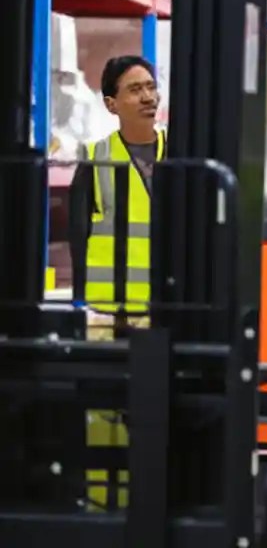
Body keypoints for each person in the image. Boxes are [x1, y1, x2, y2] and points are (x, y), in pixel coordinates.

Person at [67, 54, 164, 512]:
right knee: (104, 415)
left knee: (159, 417)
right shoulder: (95, 160)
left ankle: (155, 506)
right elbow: (78, 241)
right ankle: (104, 507)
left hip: (167, 315)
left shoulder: (182, 157)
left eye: (151, 86)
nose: (147, 97)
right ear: (111, 104)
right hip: (108, 316)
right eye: (134, 90)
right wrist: (84, 307)